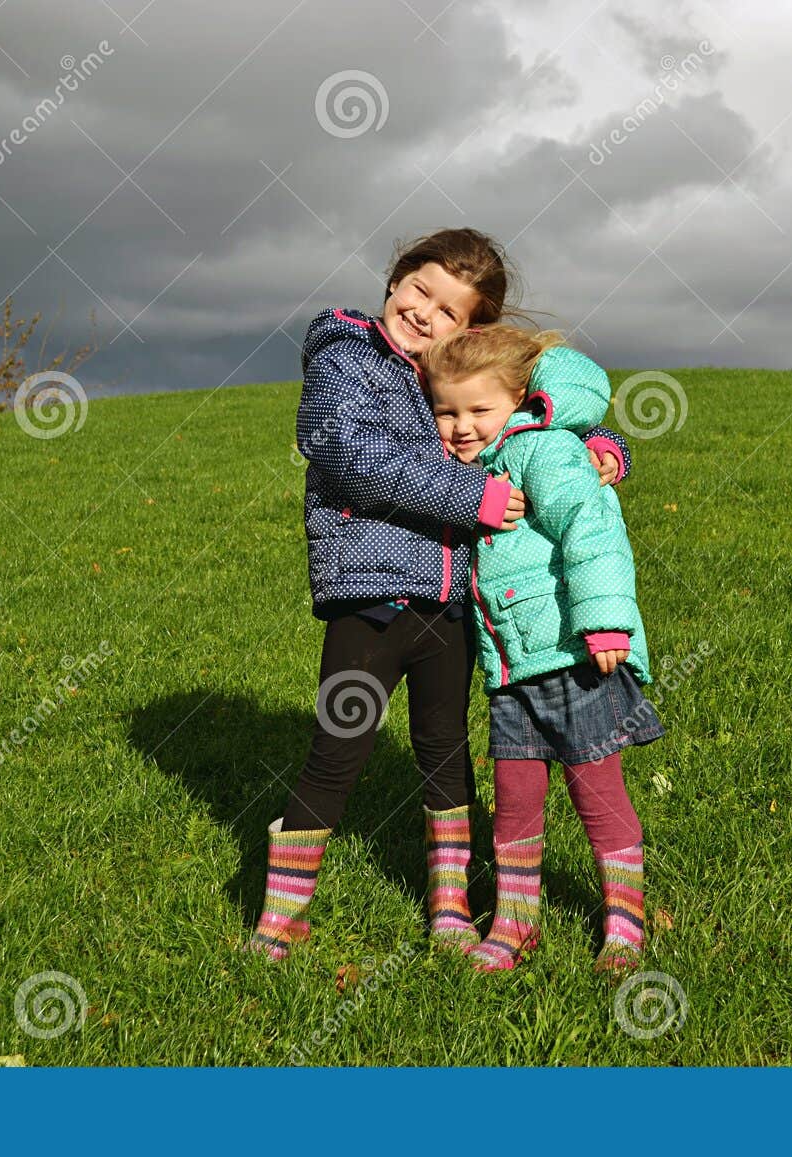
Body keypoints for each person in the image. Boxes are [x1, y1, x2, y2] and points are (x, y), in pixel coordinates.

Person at [246, 228, 631, 960]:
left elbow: (531, 409)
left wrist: (604, 448)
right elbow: (352, 456)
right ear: (394, 282)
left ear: (470, 329)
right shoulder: (346, 358)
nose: (425, 312)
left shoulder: (445, 378)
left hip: (453, 608)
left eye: (448, 310)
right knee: (339, 748)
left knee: (445, 750)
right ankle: (280, 919)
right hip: (373, 599)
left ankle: (451, 906)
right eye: (420, 289)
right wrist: (471, 495)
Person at [423, 324, 663, 974]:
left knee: (598, 796)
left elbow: (591, 528)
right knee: (515, 804)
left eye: (479, 409)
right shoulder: (476, 471)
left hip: (575, 661)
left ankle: (624, 926)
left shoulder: (542, 452)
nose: (461, 425)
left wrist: (607, 622)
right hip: (513, 675)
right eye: (446, 410)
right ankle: (514, 925)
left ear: (521, 399)